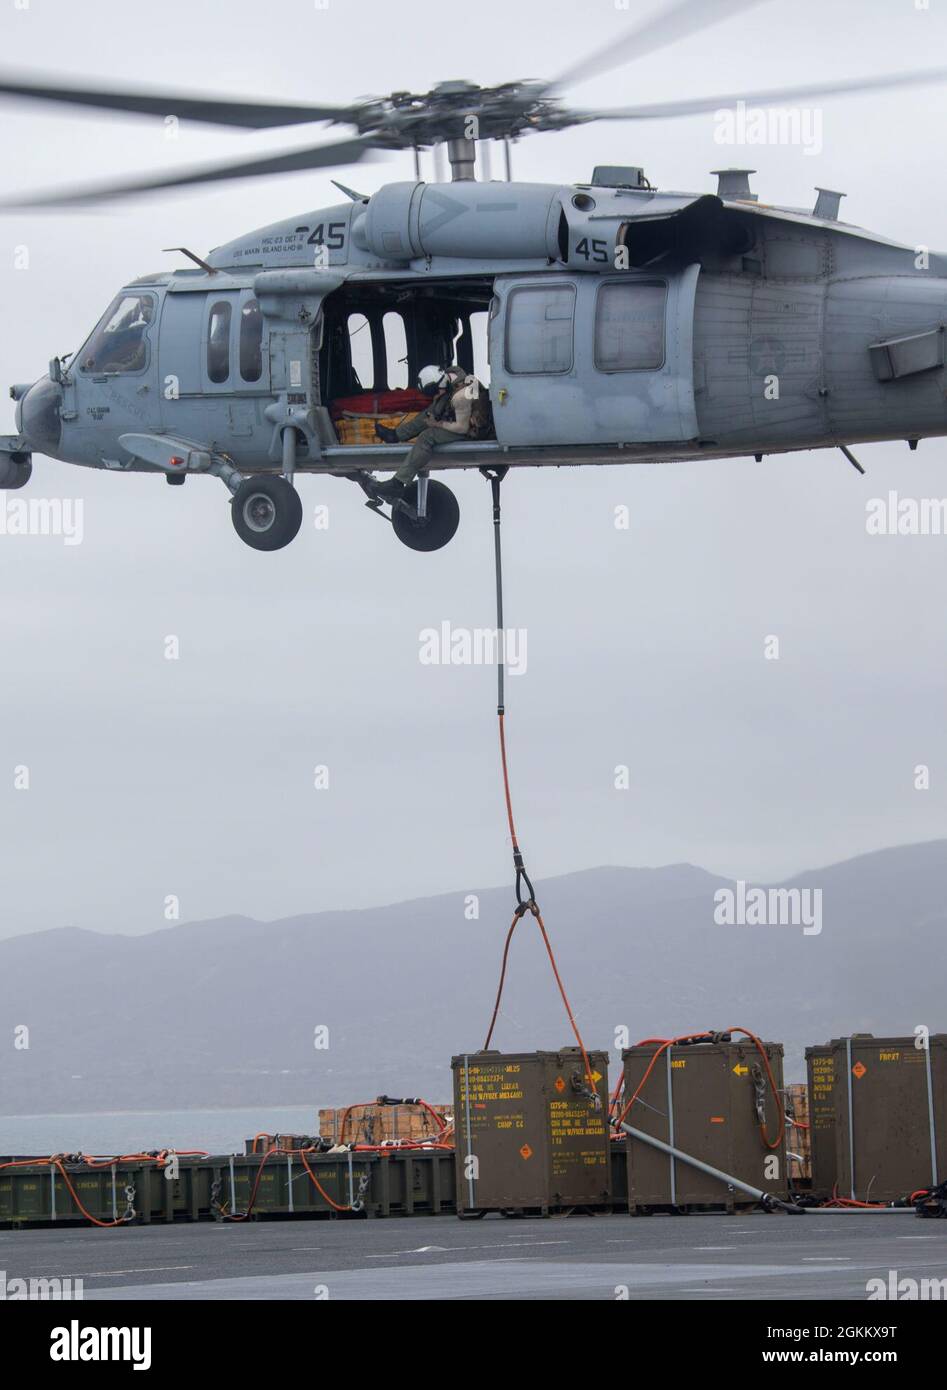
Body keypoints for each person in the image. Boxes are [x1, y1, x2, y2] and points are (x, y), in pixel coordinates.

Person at [371, 364, 478, 500]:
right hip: (464, 420)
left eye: (436, 392)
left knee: (428, 436)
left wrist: (437, 424)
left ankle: (398, 483)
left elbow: (462, 428)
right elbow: (436, 410)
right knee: (431, 412)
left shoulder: (460, 396)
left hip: (473, 431)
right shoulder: (452, 377)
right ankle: (396, 435)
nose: (436, 396)